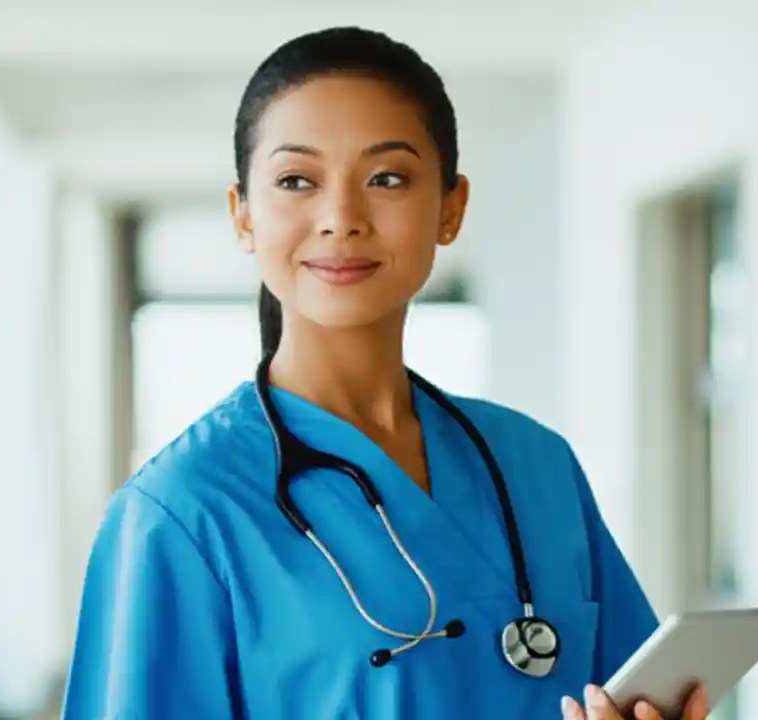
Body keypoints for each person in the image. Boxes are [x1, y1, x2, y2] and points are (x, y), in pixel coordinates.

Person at [61, 26, 708, 720]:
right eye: (296, 181)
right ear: (243, 216)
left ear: (451, 207)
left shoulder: (536, 467)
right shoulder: (182, 515)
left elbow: (625, 687)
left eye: (387, 178)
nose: (341, 218)